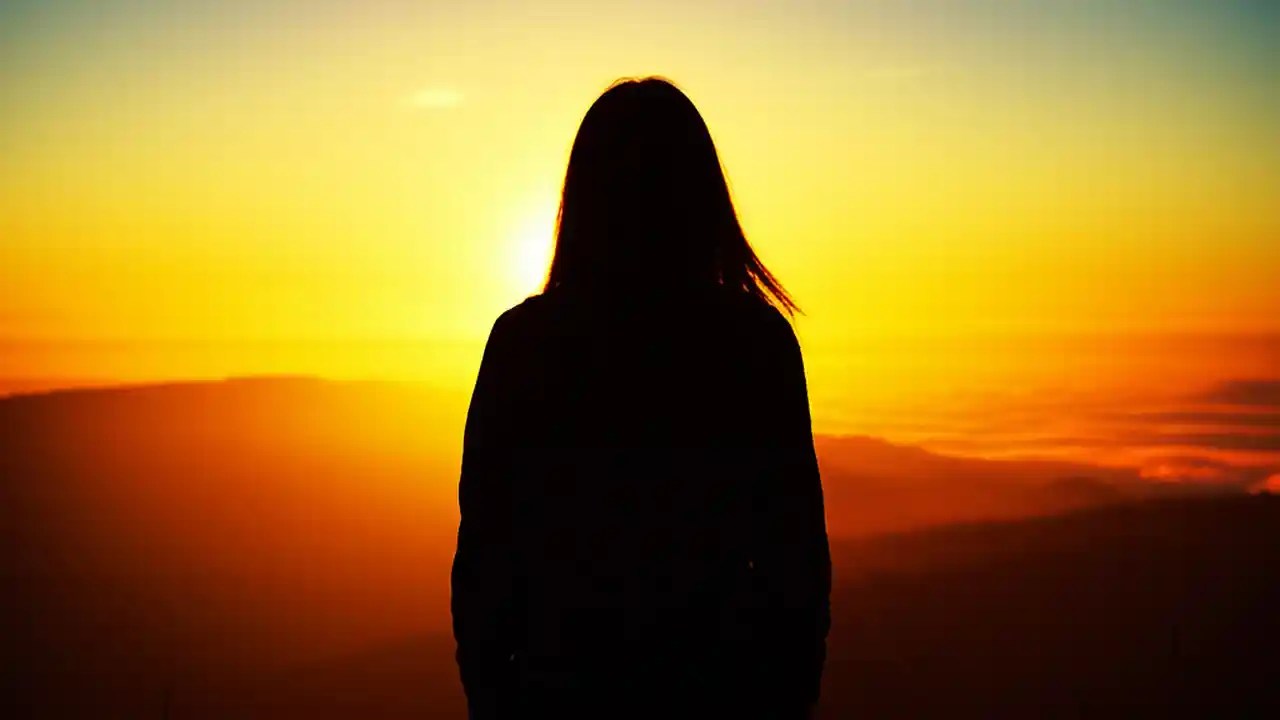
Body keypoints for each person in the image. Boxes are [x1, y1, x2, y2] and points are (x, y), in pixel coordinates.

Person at [452, 77, 830, 720]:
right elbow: (796, 575)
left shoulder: (524, 345)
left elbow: (485, 574)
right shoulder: (755, 347)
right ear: (704, 198)